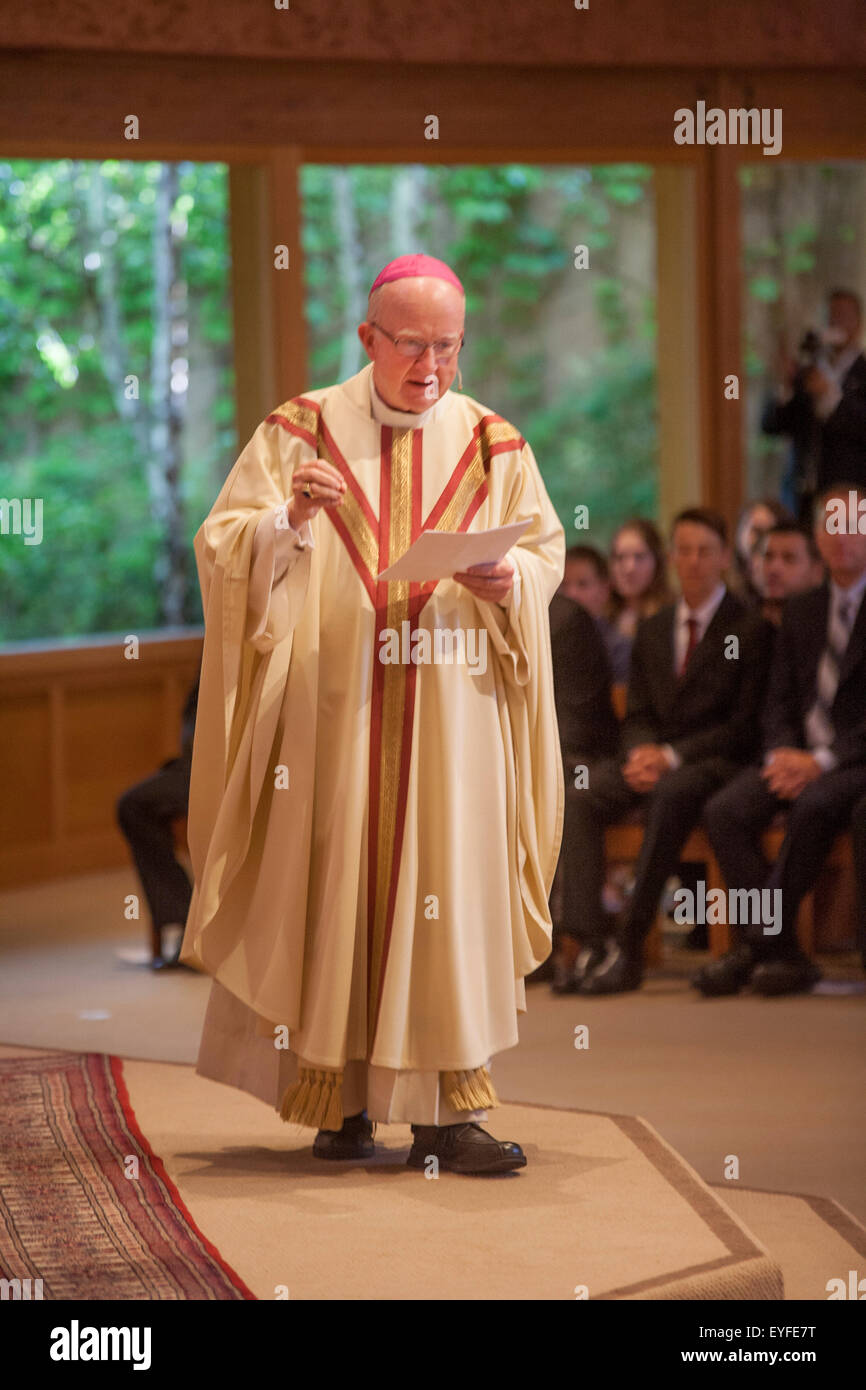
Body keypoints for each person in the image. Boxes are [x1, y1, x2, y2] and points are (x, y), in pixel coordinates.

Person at [180, 253, 565, 1175]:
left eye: (447, 346)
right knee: (335, 883)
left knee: (445, 892)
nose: (430, 365)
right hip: (333, 714)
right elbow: (224, 544)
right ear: (367, 338)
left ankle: (446, 1114)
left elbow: (543, 554)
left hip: (451, 714)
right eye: (411, 344)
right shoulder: (298, 430)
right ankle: (338, 1099)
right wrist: (285, 526)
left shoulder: (493, 443)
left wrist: (508, 577)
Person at [560, 507, 773, 995]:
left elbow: (742, 727)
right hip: (649, 758)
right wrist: (640, 752)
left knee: (672, 791)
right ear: (672, 556)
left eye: (705, 551)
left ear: (723, 558)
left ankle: (629, 948)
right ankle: (590, 937)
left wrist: (670, 757)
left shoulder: (748, 628)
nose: (694, 561)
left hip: (715, 763)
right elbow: (636, 712)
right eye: (685, 550)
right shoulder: (654, 629)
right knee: (583, 790)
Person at [695, 484, 866, 997]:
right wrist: (780, 755)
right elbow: (778, 701)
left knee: (815, 805)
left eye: (853, 523)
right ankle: (782, 948)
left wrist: (821, 759)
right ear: (819, 535)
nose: (841, 536)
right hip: (796, 756)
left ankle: (756, 945)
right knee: (725, 809)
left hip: (853, 759)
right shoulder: (802, 608)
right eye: (830, 525)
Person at [546, 588, 619, 991]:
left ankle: (579, 940)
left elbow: (577, 721)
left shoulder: (564, 619)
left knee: (570, 794)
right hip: (518, 755)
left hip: (581, 758)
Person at [116, 674, 199, 969]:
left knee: (136, 806)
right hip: (194, 765)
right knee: (133, 804)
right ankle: (186, 917)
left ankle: (191, 924)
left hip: (223, 767)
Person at [762, 289, 866, 516]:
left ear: (858, 323)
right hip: (803, 492)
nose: (836, 322)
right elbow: (772, 426)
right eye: (831, 316)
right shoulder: (809, 371)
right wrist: (785, 386)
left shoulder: (862, 373)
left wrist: (830, 396)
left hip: (850, 494)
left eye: (843, 316)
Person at [558, 544, 630, 682]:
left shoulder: (617, 647)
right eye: (564, 585)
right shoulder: (547, 644)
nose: (571, 593)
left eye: (582, 584)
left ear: (604, 589)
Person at [607, 518, 672, 662]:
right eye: (620, 558)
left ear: (657, 562)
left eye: (639, 557)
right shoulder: (604, 617)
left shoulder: (671, 617)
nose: (629, 568)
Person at [753, 522, 825, 627]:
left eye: (789, 558)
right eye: (768, 557)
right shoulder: (737, 629)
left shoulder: (828, 632)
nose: (774, 569)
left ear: (817, 571)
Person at [730, 498, 795, 605]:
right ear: (740, 531)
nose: (762, 540)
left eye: (770, 532)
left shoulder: (791, 587)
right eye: (757, 531)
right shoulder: (720, 583)